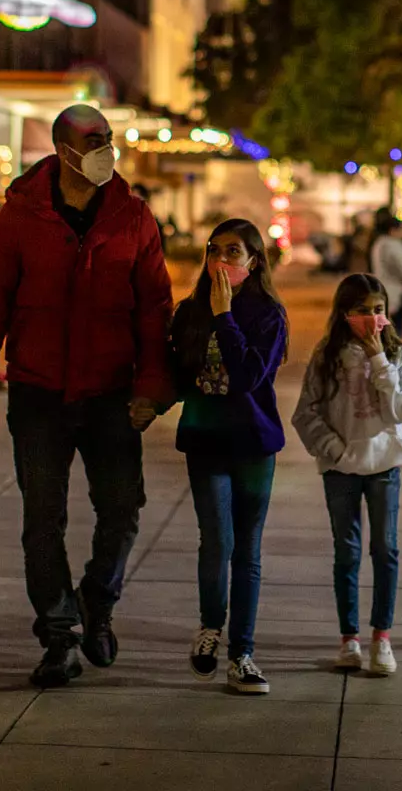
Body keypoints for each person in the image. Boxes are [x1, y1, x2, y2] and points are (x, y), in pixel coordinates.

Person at [0, 103, 174, 689]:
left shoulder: (133, 216)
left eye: (110, 137)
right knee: (41, 521)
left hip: (112, 393)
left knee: (123, 512)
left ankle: (96, 601)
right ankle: (58, 636)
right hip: (40, 393)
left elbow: (155, 309)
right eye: (95, 139)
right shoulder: (22, 216)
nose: (107, 147)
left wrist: (151, 387)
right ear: (62, 149)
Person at [169, 219, 290, 694]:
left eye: (233, 252)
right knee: (215, 541)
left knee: (247, 550)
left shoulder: (268, 315)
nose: (221, 259)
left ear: (254, 261)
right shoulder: (190, 311)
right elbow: (179, 376)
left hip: (253, 445)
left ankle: (242, 652)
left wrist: (225, 315)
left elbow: (248, 378)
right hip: (205, 440)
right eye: (213, 249)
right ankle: (209, 630)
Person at [291, 273, 402, 677]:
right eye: (362, 311)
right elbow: (305, 413)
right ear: (345, 313)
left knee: (385, 549)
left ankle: (382, 637)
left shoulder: (396, 354)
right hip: (341, 469)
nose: (372, 318)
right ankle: (349, 639)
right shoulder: (328, 355)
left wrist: (379, 360)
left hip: (384, 466)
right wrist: (336, 451)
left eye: (378, 310)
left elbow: (399, 411)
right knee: (346, 552)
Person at [369, 214, 402, 373]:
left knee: (384, 329)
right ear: (393, 230)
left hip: (382, 292)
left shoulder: (378, 244)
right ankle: (393, 365)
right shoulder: (394, 245)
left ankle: (385, 363)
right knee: (395, 331)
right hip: (396, 293)